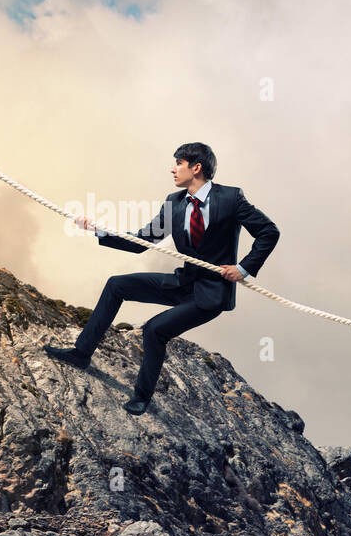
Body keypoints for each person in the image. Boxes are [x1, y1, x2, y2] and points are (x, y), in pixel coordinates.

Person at [45, 142, 279, 415]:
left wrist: (244, 268)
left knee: (155, 330)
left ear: (196, 168)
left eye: (179, 163)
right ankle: (81, 353)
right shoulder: (175, 203)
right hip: (183, 282)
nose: (173, 169)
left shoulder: (231, 198)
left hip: (211, 295)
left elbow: (269, 233)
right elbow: (143, 240)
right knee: (116, 285)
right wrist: (98, 230)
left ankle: (142, 397)